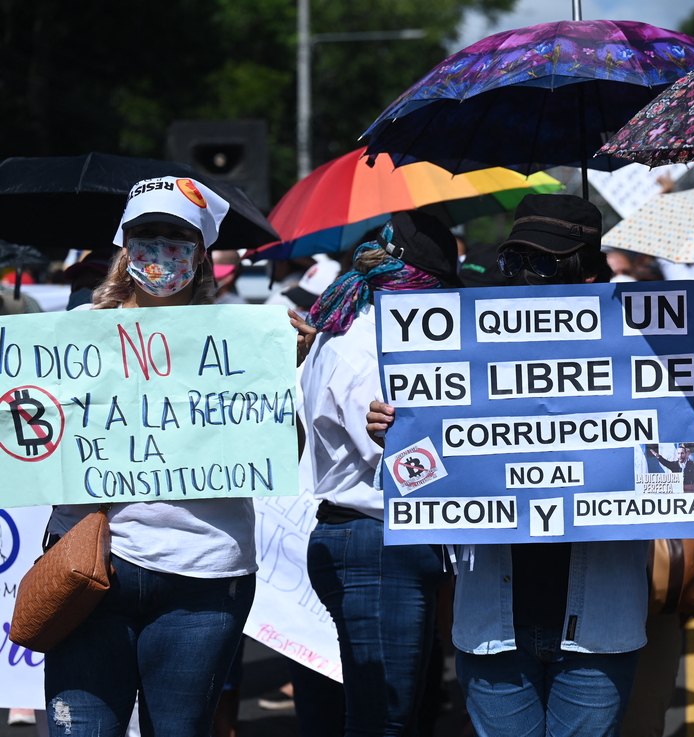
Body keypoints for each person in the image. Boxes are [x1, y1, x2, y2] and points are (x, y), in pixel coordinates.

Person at [367, 194, 694, 737]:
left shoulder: (645, 355)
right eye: (514, 262)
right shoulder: (467, 347)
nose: (525, 278)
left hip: (598, 630)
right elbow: (420, 493)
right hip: (493, 627)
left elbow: (684, 495)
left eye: (544, 263)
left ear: (589, 279)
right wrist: (394, 439)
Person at [43, 176, 259, 737]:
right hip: (89, 569)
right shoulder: (73, 337)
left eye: (177, 236)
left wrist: (280, 377)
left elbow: (285, 452)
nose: (161, 250)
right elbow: (31, 447)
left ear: (202, 252)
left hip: (204, 575)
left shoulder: (243, 341)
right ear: (124, 246)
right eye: (146, 234)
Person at [299, 210, 461, 736]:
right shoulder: (369, 345)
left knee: (391, 712)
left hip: (376, 541)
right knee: (382, 718)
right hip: (375, 540)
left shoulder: (353, 328)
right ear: (419, 284)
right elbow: (399, 462)